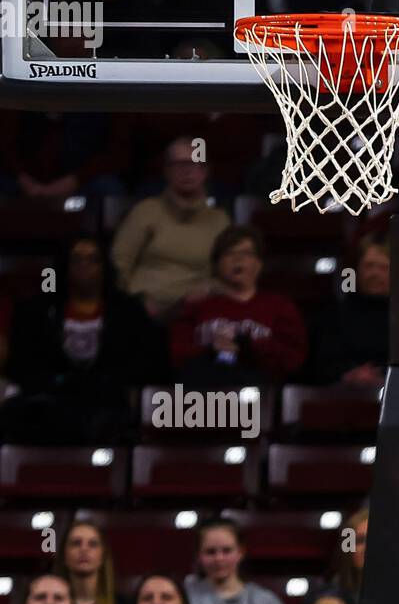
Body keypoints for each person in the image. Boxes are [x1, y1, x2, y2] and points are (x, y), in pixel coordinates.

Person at [4, 236, 159, 444]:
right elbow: (22, 366)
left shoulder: (129, 310)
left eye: (93, 259)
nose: (84, 266)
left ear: (105, 268)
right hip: (51, 401)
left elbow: (144, 365)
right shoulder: (37, 310)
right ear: (65, 266)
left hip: (107, 402)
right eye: (76, 259)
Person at [170, 225, 308, 386]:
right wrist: (210, 350)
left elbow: (293, 360)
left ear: (259, 264)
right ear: (217, 265)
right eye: (229, 254)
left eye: (246, 253)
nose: (238, 259)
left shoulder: (279, 306)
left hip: (260, 394)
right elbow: (176, 356)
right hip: (204, 393)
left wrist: (247, 346)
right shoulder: (198, 305)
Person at [110, 136, 232, 318]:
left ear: (205, 171)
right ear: (167, 171)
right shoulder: (145, 211)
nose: (187, 171)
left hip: (197, 312)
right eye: (179, 165)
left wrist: (209, 290)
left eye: (195, 163)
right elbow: (119, 264)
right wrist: (137, 302)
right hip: (143, 311)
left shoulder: (219, 221)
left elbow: (228, 273)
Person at [310, 233, 390, 387]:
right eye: (369, 265)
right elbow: (322, 365)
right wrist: (350, 375)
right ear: (358, 269)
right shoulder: (335, 315)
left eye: (383, 267)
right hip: (341, 397)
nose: (375, 274)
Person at [54, 519, 131, 604]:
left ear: (102, 556)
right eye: (76, 543)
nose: (84, 549)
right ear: (64, 556)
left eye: (93, 544)